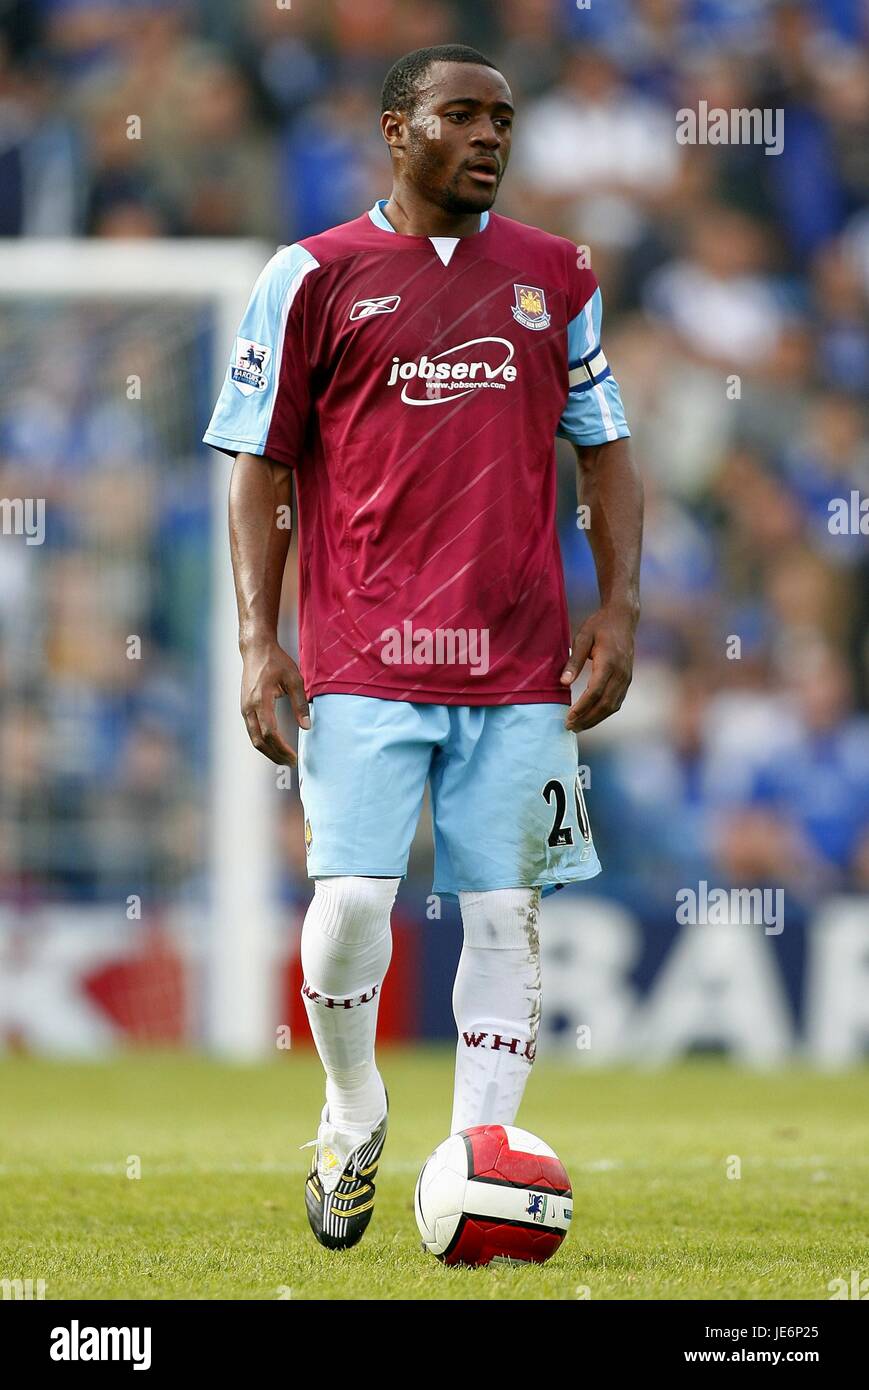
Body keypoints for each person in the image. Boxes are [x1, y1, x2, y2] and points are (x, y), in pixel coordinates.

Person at [203, 44, 642, 1252]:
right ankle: (352, 1110)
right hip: (361, 656)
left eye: (503, 118)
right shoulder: (310, 275)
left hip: (517, 667)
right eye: (461, 115)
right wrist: (256, 637)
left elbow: (602, 446)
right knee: (350, 903)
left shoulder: (557, 275)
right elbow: (257, 462)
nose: (490, 136)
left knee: (504, 916)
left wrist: (619, 609)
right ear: (396, 130)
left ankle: (477, 1170)